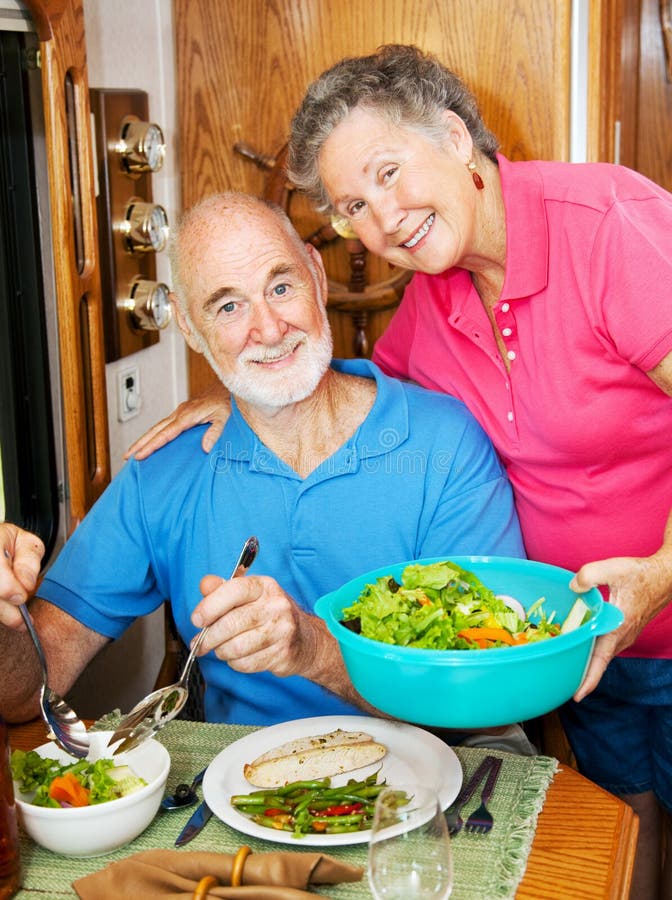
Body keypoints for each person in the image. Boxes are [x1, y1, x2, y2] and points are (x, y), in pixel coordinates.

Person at [126, 45, 672, 897]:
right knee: (628, 840)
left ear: (454, 137)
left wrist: (660, 575)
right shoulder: (432, 300)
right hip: (587, 644)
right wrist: (239, 393)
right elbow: (333, 389)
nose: (384, 220)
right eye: (354, 206)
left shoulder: (608, 227)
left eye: (388, 173)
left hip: (656, 603)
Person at [0, 192, 527, 741]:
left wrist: (314, 649)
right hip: (243, 782)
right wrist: (3, 617)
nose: (270, 329)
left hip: (438, 771)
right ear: (189, 326)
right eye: (228, 306)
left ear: (316, 276)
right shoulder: (164, 470)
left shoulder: (444, 442)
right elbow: (26, 691)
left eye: (280, 287)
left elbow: (485, 696)